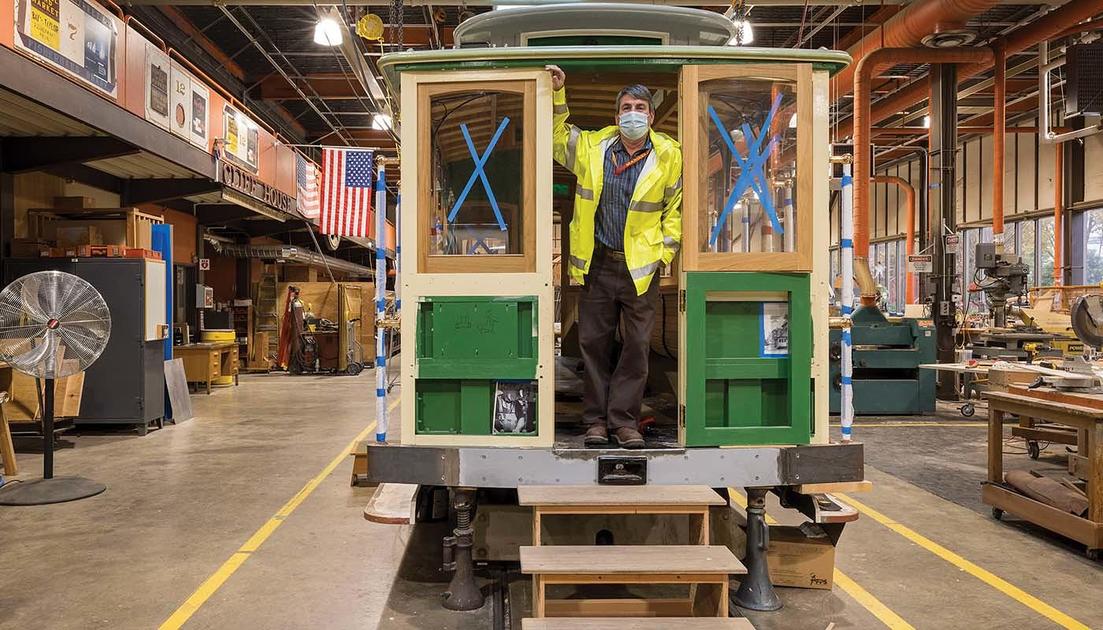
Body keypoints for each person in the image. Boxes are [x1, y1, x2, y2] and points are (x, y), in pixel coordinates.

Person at [547, 65, 683, 449]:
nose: (633, 114)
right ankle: (595, 422)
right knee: (594, 345)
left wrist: (664, 253)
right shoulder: (594, 148)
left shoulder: (669, 155)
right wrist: (558, 93)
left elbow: (675, 210)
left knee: (637, 348)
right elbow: (556, 137)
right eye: (626, 108)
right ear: (617, 115)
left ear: (651, 116)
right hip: (599, 264)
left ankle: (624, 423)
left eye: (640, 108)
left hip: (641, 269)